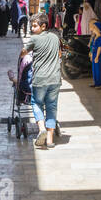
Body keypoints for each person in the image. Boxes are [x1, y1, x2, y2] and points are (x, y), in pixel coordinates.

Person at [27, 12, 62, 150]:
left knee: (36, 103)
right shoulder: (55, 37)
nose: (32, 29)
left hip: (40, 79)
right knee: (52, 106)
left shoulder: (34, 39)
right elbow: (59, 53)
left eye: (34, 26)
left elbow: (23, 52)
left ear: (43, 26)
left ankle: (41, 129)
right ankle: (50, 140)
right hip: (55, 78)